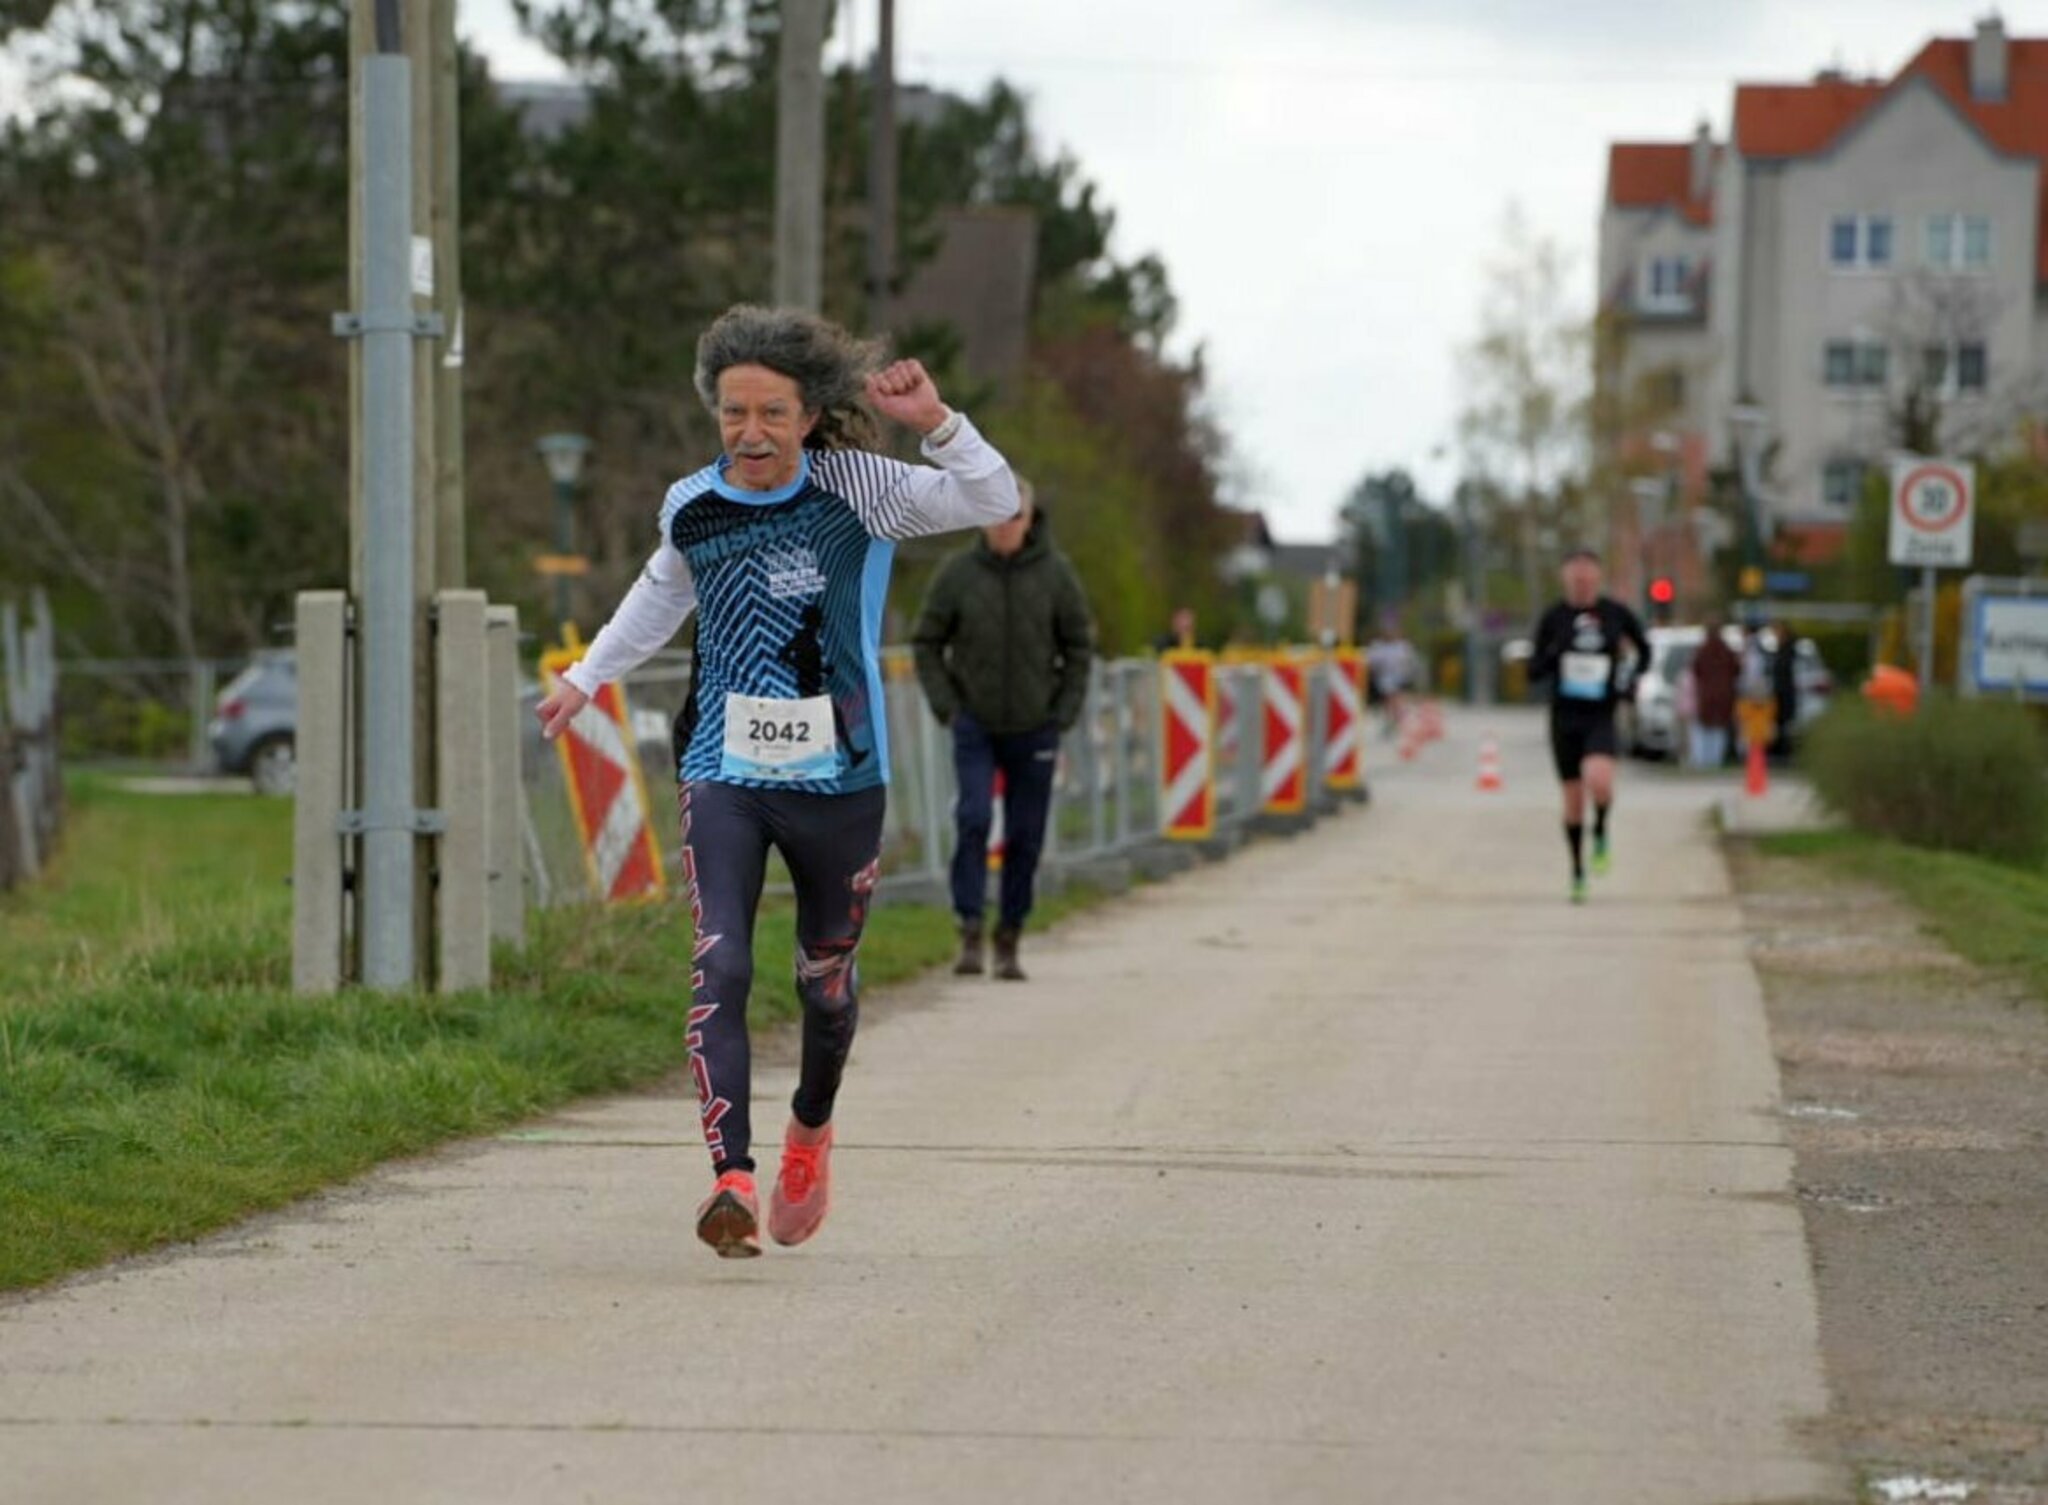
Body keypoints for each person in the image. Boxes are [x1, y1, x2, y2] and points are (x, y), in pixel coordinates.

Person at [534, 306, 1020, 1259]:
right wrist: (587, 676)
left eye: (771, 414)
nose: (750, 434)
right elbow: (659, 595)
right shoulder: (693, 504)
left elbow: (993, 498)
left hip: (840, 776)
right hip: (723, 766)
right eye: (733, 413)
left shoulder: (862, 488)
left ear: (809, 416)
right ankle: (732, 1178)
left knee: (824, 983)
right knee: (720, 959)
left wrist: (937, 422)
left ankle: (809, 1132)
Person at [912, 481, 1095, 981]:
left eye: (1014, 515)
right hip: (975, 722)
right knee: (973, 817)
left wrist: (1063, 712)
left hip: (1036, 726)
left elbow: (1079, 646)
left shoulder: (1057, 574)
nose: (1004, 525)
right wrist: (949, 708)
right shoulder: (957, 573)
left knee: (1025, 834)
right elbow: (926, 641)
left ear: (1030, 518)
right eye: (995, 514)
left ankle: (1010, 933)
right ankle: (969, 927)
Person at [1528, 549, 1652, 904]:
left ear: (1597, 578)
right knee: (1572, 801)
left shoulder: (1614, 614)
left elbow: (1644, 651)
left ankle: (1600, 828)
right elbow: (1533, 669)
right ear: (1565, 579)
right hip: (1564, 717)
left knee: (1599, 780)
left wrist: (1629, 681)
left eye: (1587, 577)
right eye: (1575, 577)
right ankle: (1577, 870)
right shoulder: (1554, 618)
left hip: (1600, 713)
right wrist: (1553, 656)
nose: (1582, 583)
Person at [1687, 614, 1739, 770]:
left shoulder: (1702, 650)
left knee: (1703, 729)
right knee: (1719, 729)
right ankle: (1715, 760)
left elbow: (1695, 670)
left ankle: (1702, 760)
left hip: (1706, 695)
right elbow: (1736, 670)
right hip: (1724, 695)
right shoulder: (1727, 651)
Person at [1770, 620, 1801, 760]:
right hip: (1779, 693)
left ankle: (1785, 752)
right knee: (1779, 724)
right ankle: (1780, 751)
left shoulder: (1789, 650)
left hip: (1787, 693)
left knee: (1786, 725)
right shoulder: (1780, 649)